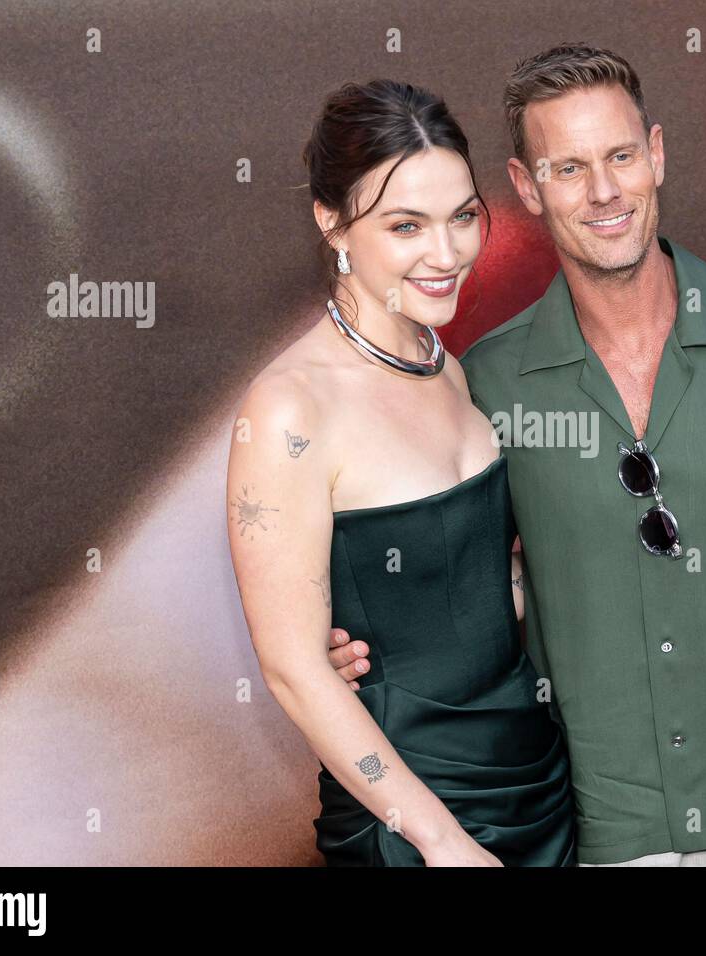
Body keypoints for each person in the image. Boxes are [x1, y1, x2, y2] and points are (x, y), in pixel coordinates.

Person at [327, 45, 706, 866]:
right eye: (568, 168)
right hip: (606, 838)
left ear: (656, 153)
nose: (604, 191)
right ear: (527, 188)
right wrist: (371, 642)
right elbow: (468, 582)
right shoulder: (486, 383)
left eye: (619, 156)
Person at [225, 79, 576, 866]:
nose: (446, 254)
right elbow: (292, 668)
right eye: (406, 225)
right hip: (414, 818)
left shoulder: (445, 366)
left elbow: (473, 584)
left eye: (461, 218)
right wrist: (442, 842)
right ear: (332, 223)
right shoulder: (290, 407)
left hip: (534, 779)